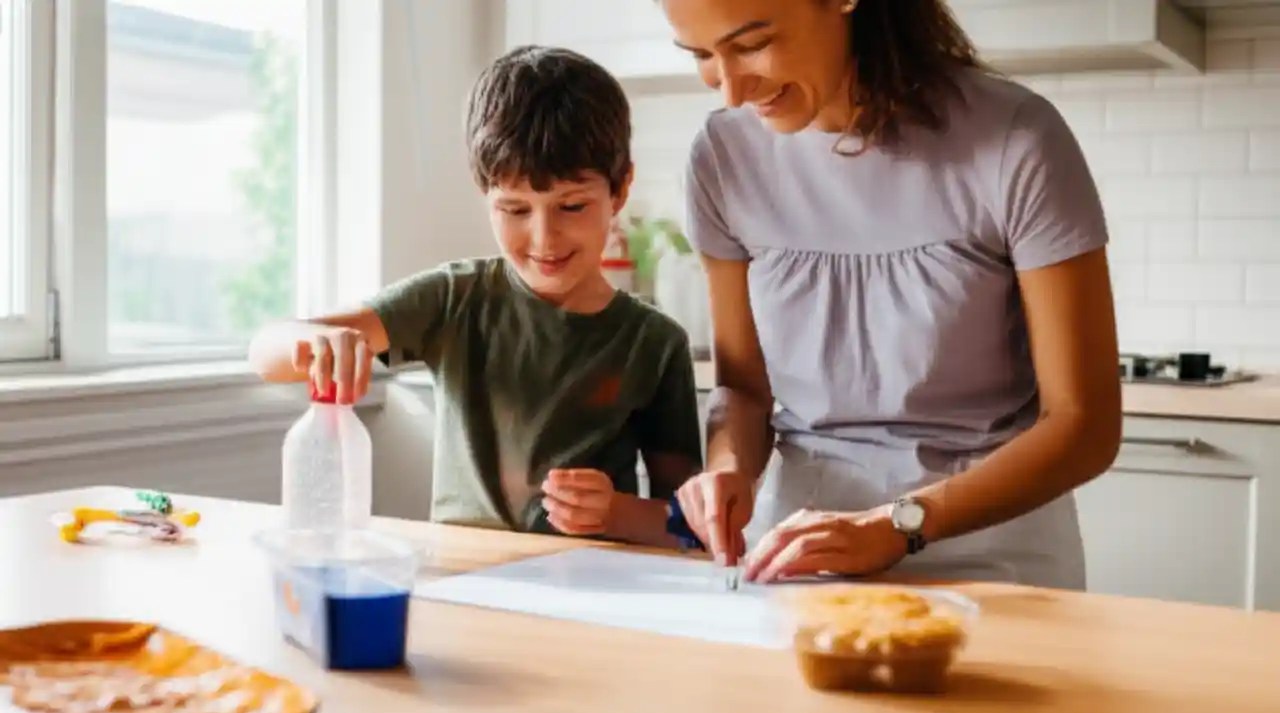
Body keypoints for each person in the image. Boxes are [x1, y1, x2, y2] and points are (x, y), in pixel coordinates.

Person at [661, 0, 1122, 590]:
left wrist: (897, 525)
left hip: (995, 562)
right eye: (702, 55)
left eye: (751, 45)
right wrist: (727, 470)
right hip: (801, 555)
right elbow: (745, 392)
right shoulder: (723, 157)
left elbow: (1085, 426)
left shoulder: (1016, 138)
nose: (729, 90)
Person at [248, 46, 704, 547]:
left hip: (587, 587)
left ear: (620, 190)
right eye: (514, 209)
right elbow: (266, 354)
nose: (544, 239)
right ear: (484, 192)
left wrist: (617, 514)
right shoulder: (454, 299)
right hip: (461, 574)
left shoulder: (656, 343)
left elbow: (687, 525)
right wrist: (319, 339)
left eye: (571, 206)